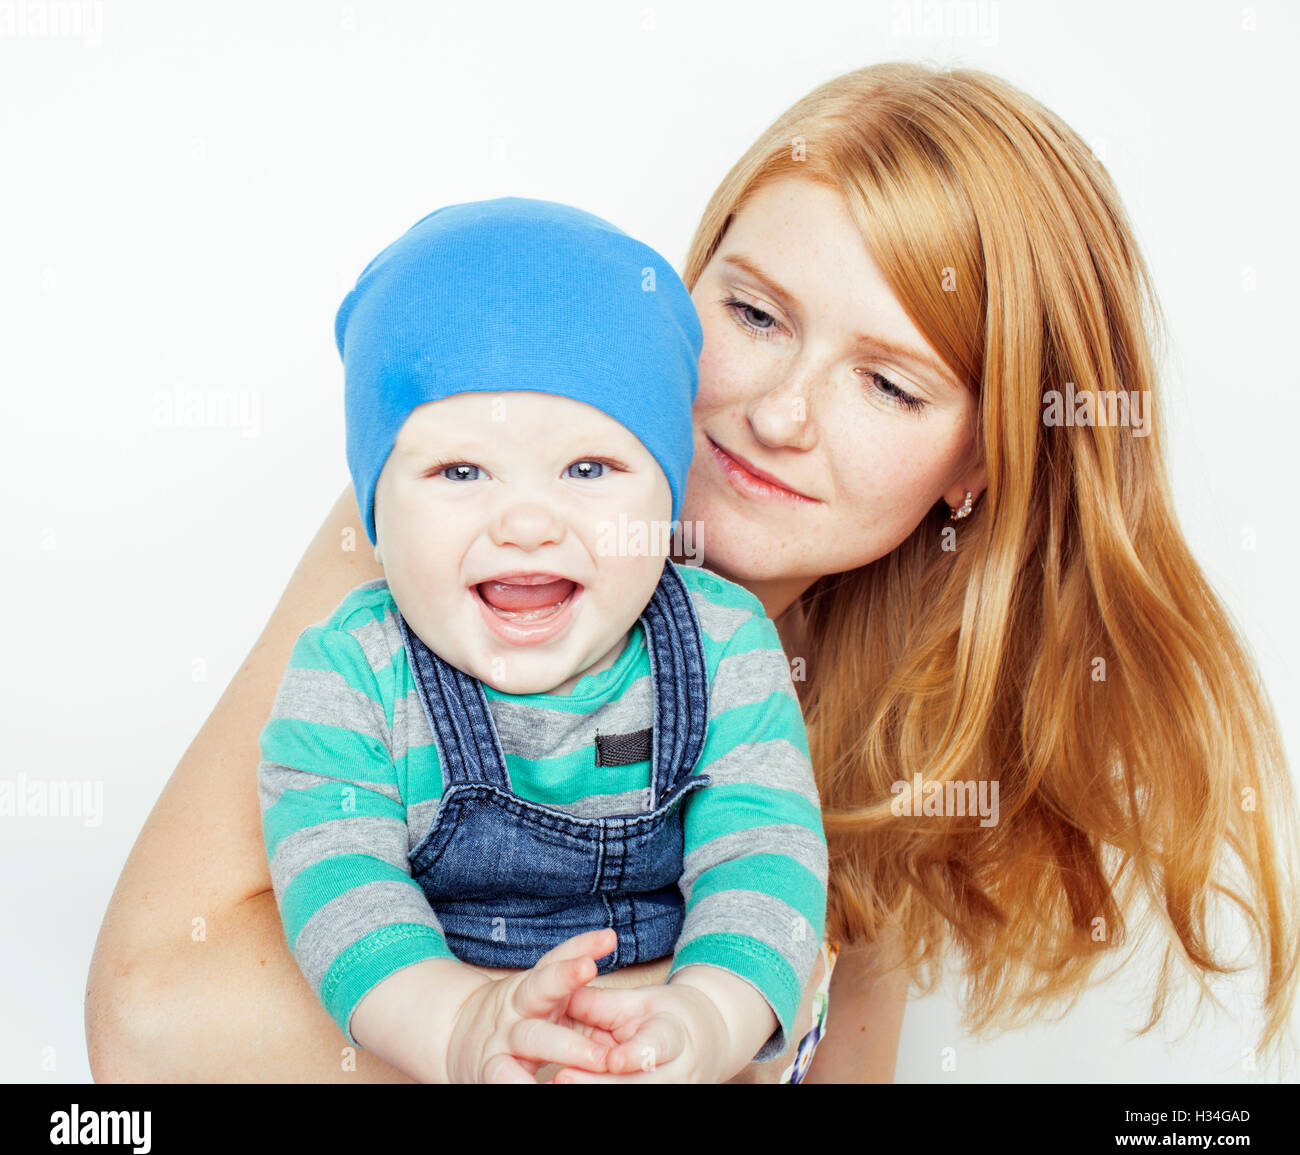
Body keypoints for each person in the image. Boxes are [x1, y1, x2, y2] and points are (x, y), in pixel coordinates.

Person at [87, 62, 1300, 1085]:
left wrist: (733, 1011)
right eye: (757, 313)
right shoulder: (448, 520)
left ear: (976, 466)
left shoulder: (885, 723)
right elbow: (151, 1013)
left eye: (888, 382)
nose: (777, 413)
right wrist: (672, 1009)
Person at [259, 196, 827, 1084]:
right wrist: (456, 1024)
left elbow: (768, 855)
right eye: (460, 471)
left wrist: (709, 1017)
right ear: (375, 509)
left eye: (589, 469)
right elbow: (337, 889)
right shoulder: (353, 675)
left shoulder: (724, 650)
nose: (526, 521)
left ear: (667, 497)